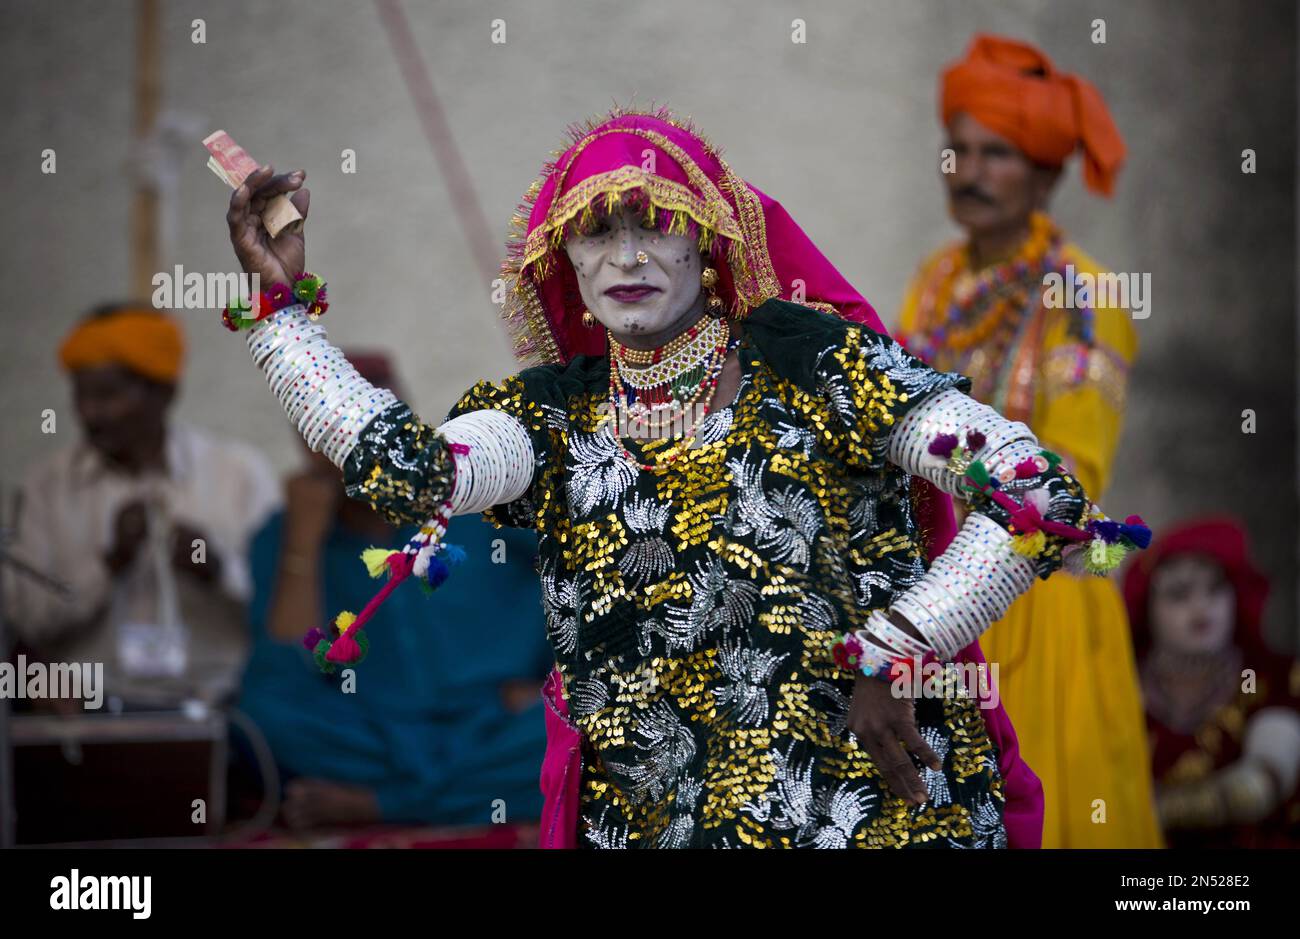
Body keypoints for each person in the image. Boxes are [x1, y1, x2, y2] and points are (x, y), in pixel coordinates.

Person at [221, 105, 1149, 849]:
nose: (626, 256)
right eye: (596, 235)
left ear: (707, 247)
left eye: (653, 227)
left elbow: (1038, 493)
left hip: (868, 811)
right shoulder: (547, 416)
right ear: (565, 266)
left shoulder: (815, 366)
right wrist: (277, 307)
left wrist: (899, 644)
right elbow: (410, 476)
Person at [896, 35, 1161, 848]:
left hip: (1039, 595)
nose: (970, 171)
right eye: (959, 149)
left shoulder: (1085, 296)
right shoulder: (939, 280)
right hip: (945, 587)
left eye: (997, 153)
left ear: (1045, 175)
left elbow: (1069, 476)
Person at [235, 352, 551, 830]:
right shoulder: (280, 536)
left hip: (494, 720)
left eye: (376, 425)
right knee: (263, 715)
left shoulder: (483, 500)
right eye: (329, 428)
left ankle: (382, 805)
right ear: (304, 438)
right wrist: (302, 541)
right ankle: (464, 795)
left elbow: (589, 586)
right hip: (371, 729)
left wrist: (552, 682)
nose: (357, 446)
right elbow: (282, 668)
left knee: (582, 713)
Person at [4, 303, 279, 708]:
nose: (89, 413)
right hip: (87, 717)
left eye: (108, 394)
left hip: (223, 713)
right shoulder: (47, 488)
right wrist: (109, 563)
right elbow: (26, 619)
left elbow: (284, 610)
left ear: (165, 392)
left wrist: (216, 569)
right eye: (80, 394)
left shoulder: (238, 475)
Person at [1123, 517, 1300, 848]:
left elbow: (1259, 786)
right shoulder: (1119, 691)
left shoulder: (1274, 677)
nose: (1202, 606)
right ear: (1148, 610)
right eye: (1179, 594)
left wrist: (1155, 811)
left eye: (1216, 588)